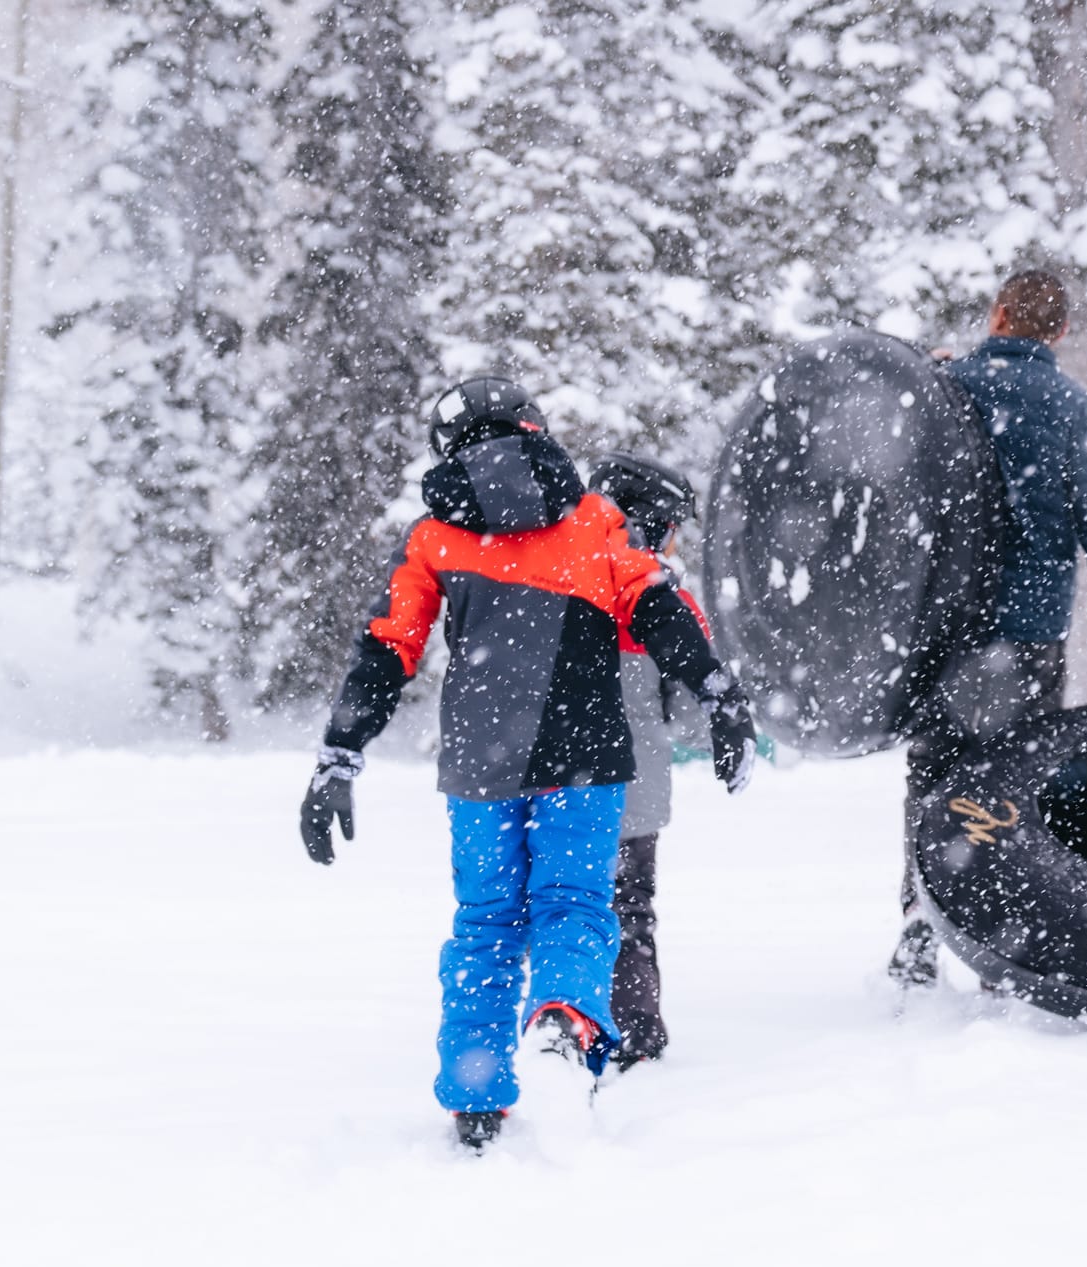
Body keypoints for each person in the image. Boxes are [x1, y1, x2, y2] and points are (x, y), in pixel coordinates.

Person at [297, 377, 756, 1150]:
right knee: (573, 905)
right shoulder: (597, 521)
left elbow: (386, 646)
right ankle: (564, 1021)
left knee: (485, 925)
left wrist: (339, 753)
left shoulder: (433, 540)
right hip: (586, 759)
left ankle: (477, 1094)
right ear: (531, 427)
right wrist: (718, 692)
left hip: (481, 766)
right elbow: (658, 609)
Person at [891, 270, 1087, 986]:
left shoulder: (943, 391)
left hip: (942, 630)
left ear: (997, 314)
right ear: (1057, 333)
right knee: (1013, 787)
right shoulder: (1074, 411)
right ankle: (1002, 942)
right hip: (1025, 636)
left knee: (933, 780)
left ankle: (918, 924)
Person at [587, 450, 707, 1070]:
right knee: (629, 911)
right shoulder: (665, 601)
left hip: (553, 787)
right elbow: (694, 718)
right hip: (632, 794)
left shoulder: (564, 579)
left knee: (565, 907)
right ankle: (636, 1032)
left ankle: (570, 1019)